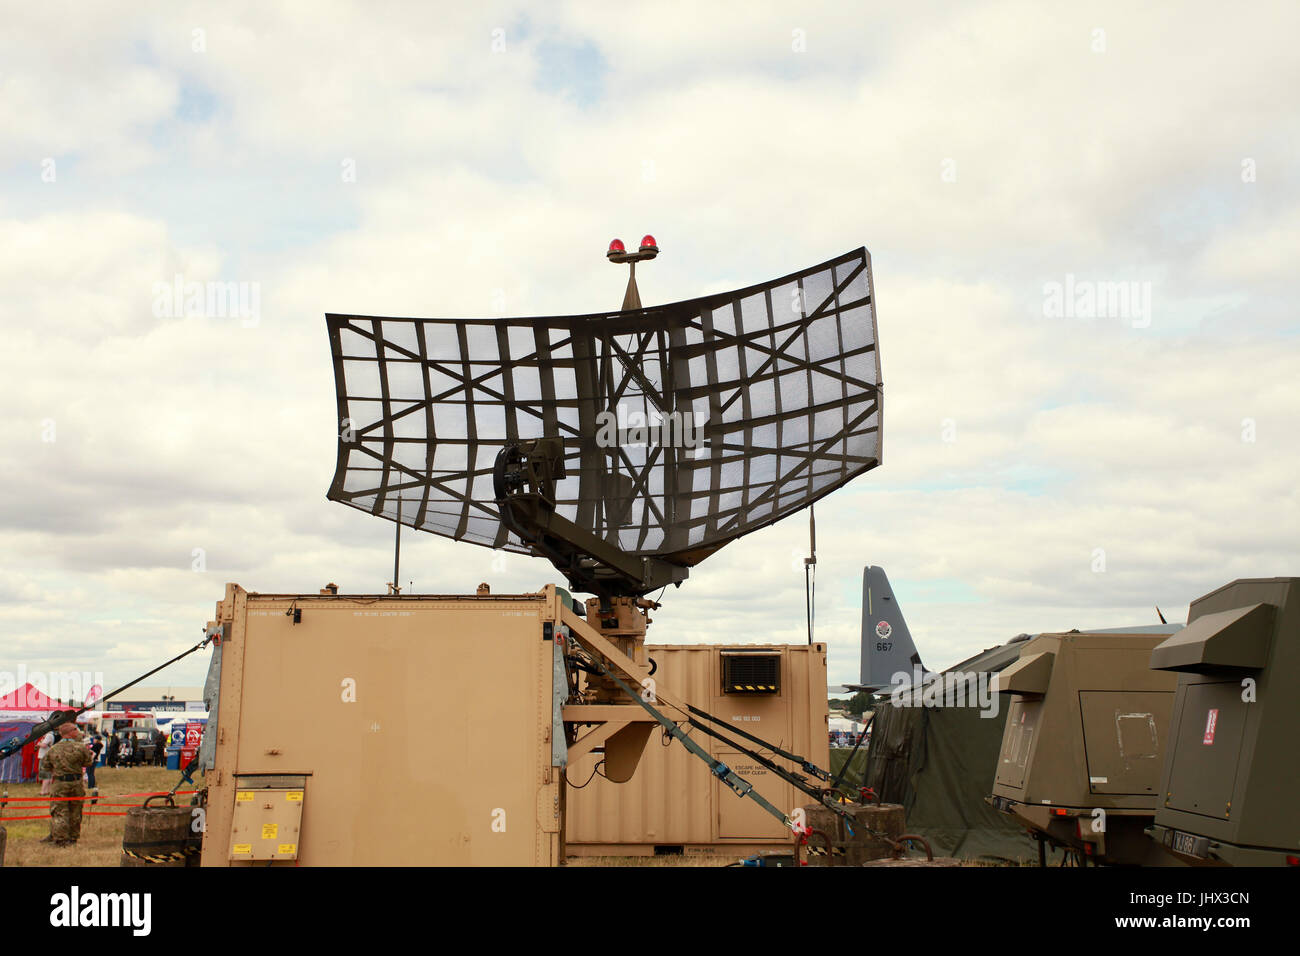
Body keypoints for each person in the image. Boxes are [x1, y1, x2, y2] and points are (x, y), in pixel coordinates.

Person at [40, 723, 94, 847]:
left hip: (60, 783)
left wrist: (58, 770)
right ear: (69, 732)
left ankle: (60, 838)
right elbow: (88, 762)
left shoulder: (54, 748)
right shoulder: (81, 748)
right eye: (75, 729)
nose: (77, 732)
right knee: (75, 810)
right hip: (76, 782)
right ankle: (72, 837)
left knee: (59, 811)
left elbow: (46, 766)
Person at [37, 732, 55, 796]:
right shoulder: (50, 735)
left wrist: (38, 744)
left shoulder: (48, 735)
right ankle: (48, 790)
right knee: (49, 775)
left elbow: (44, 745)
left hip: (44, 757)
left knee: (45, 775)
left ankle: (43, 791)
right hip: (47, 757)